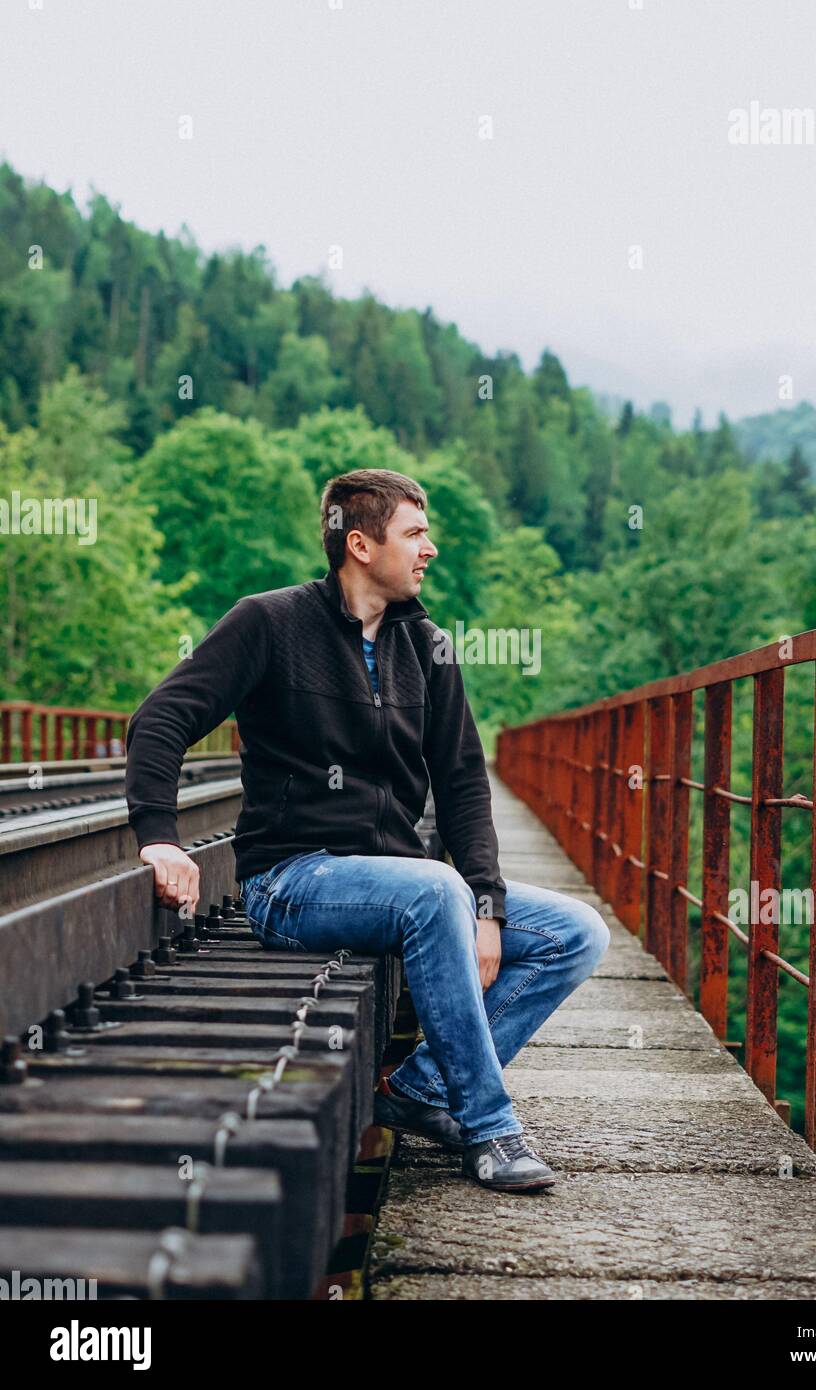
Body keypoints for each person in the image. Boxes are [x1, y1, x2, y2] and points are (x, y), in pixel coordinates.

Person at [125, 468, 610, 1193]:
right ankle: (489, 1127)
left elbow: (464, 785)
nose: (431, 549)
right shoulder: (269, 623)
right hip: (293, 883)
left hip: (405, 883)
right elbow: (160, 719)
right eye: (414, 533)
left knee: (577, 932)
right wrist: (160, 835)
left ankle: (420, 1089)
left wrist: (485, 902)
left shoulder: (430, 648)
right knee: (432, 890)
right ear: (359, 544)